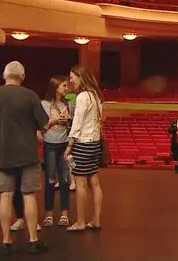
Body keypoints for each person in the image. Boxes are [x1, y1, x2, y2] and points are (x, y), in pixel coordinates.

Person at [0, 61, 48, 256]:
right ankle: (33, 240)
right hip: (28, 154)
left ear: (4, 75)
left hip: (2, 154)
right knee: (29, 195)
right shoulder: (30, 95)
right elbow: (42, 124)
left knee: (5, 196)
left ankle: (6, 241)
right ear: (22, 77)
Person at [63, 65, 104, 232]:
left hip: (82, 144)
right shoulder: (96, 95)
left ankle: (80, 222)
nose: (70, 80)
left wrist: (69, 145)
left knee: (80, 184)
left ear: (80, 77)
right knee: (95, 183)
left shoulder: (82, 97)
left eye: (72, 77)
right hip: (95, 143)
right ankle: (96, 220)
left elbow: (77, 124)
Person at [40, 77, 72, 227]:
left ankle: (65, 213)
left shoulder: (68, 104)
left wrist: (67, 120)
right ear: (55, 87)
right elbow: (42, 125)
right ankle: (49, 213)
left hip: (64, 145)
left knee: (65, 180)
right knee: (50, 180)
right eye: (63, 86)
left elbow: (72, 124)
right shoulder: (44, 104)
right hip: (50, 145)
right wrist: (55, 120)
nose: (66, 88)